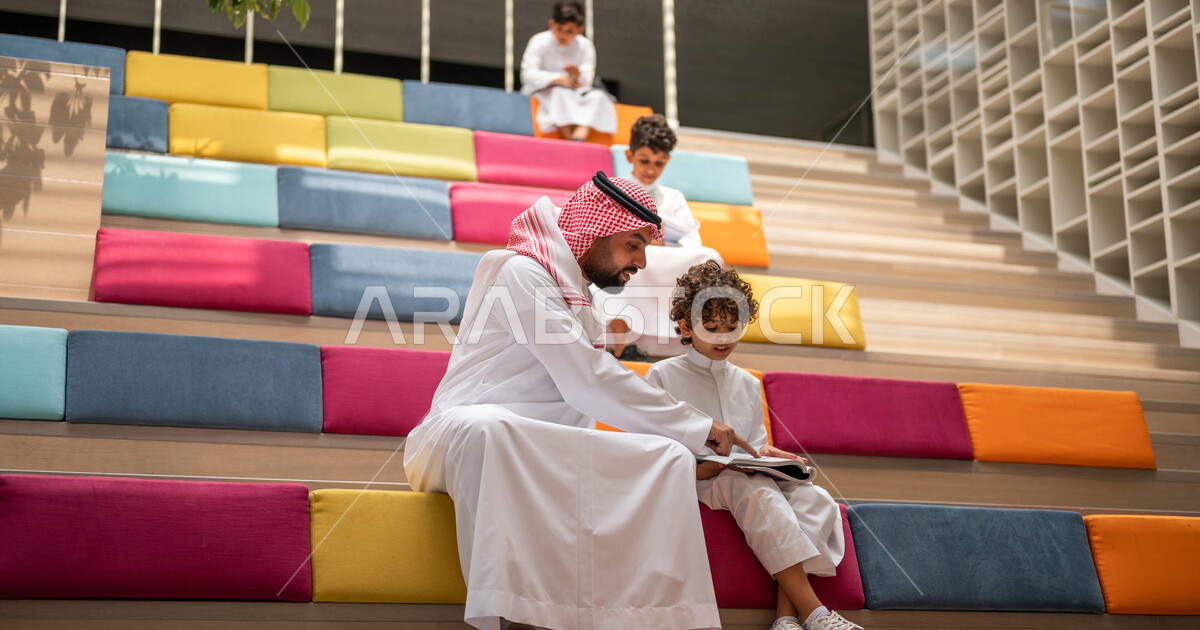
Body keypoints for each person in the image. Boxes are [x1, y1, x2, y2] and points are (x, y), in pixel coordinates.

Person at [403, 173, 757, 630]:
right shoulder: (520, 274)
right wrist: (701, 427)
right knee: (491, 428)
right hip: (455, 439)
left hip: (544, 448)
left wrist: (691, 445)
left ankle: (643, 618)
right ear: (595, 231)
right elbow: (588, 382)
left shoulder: (580, 300)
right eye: (633, 245)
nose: (641, 262)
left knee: (668, 456)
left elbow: (592, 388)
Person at [645, 262, 862, 630]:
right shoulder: (662, 375)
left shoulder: (746, 382)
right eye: (710, 329)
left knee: (815, 498)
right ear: (685, 327)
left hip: (743, 476)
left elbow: (753, 448)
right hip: (698, 480)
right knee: (750, 485)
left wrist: (772, 458)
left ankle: (785, 618)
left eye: (732, 328)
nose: (723, 339)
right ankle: (816, 613)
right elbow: (653, 455)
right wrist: (706, 468)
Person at [592, 115, 722, 360]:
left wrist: (661, 234)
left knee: (710, 257)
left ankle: (692, 341)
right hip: (629, 253)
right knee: (619, 255)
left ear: (667, 161)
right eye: (644, 160)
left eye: (659, 163)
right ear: (630, 157)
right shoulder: (613, 188)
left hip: (665, 257)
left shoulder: (673, 198)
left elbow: (692, 241)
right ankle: (622, 345)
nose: (651, 169)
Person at [520, 1, 617, 141]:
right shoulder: (539, 41)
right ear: (551, 24)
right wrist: (558, 79)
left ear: (580, 30)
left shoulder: (585, 46)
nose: (563, 35)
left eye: (569, 31)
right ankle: (571, 142)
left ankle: (577, 138)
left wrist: (577, 75)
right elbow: (527, 75)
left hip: (574, 93)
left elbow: (587, 81)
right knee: (559, 93)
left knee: (600, 97)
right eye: (559, 29)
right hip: (543, 91)